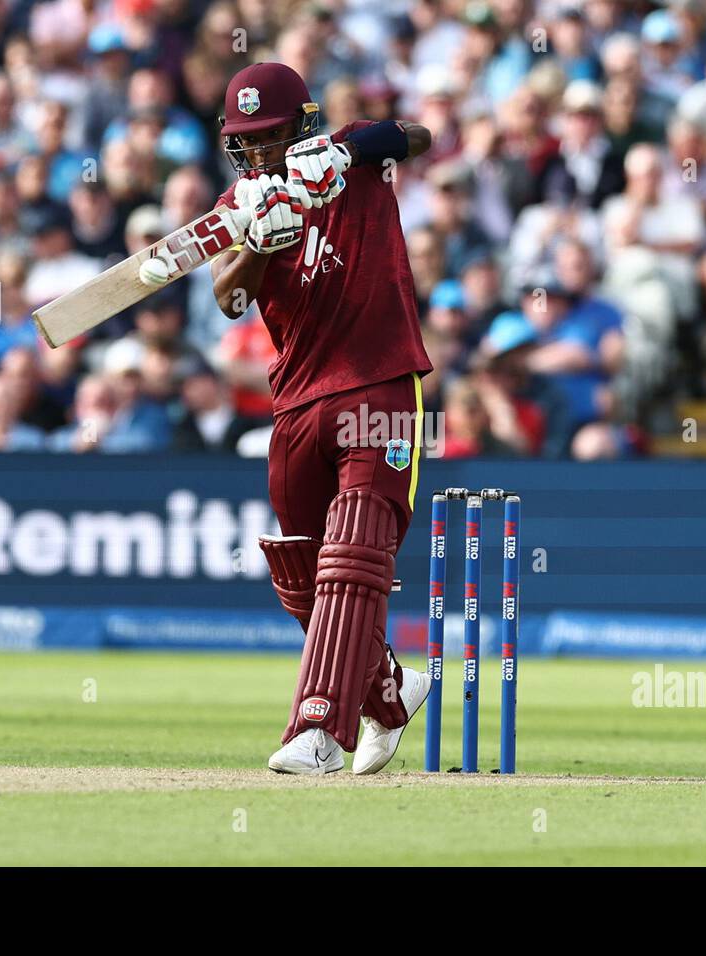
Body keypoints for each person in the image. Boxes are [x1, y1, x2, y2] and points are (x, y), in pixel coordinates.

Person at [201, 63, 433, 775]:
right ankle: (389, 691)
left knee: (355, 547)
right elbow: (226, 298)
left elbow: (413, 135)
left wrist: (340, 154)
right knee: (302, 567)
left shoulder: (358, 167)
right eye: (248, 142)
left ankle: (319, 729)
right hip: (297, 399)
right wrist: (255, 243)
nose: (260, 154)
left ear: (300, 124)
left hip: (382, 381)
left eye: (270, 137)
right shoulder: (241, 199)